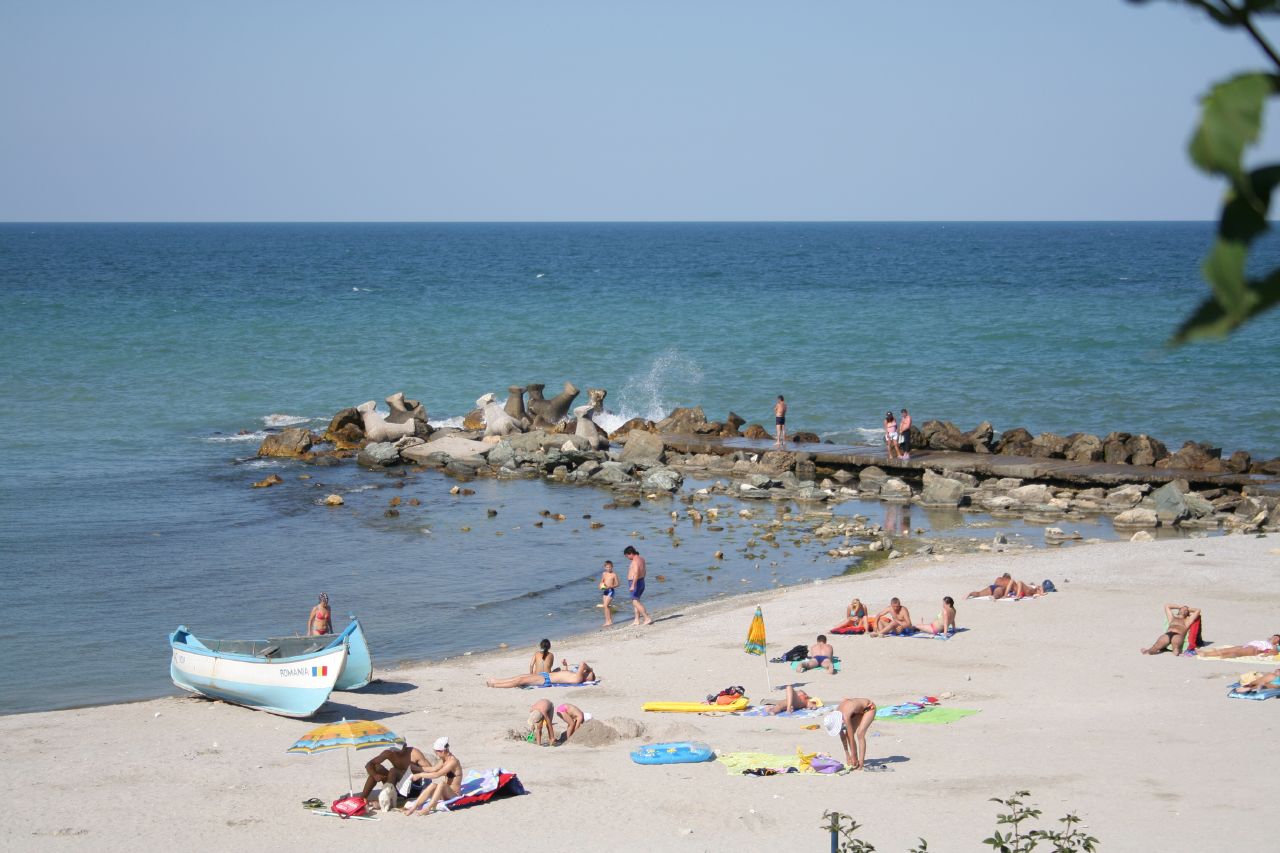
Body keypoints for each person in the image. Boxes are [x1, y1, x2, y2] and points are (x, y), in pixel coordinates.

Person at [404, 737, 462, 816]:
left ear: (442, 751)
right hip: (445, 793)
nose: (436, 755)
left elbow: (437, 774)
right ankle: (413, 808)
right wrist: (418, 768)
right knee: (433, 785)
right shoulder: (444, 759)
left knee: (441, 784)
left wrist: (419, 775)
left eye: (436, 752)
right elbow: (433, 769)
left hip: (454, 794)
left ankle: (428, 809)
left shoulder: (452, 762)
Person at [358, 740, 430, 803]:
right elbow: (369, 764)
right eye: (395, 749)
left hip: (411, 788)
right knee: (377, 768)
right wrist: (375, 775)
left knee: (393, 770)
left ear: (405, 746)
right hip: (395, 786)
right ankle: (361, 799)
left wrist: (416, 769)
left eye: (399, 749)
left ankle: (387, 798)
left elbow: (430, 769)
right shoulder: (389, 753)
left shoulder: (414, 753)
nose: (397, 752)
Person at [825, 698, 876, 770]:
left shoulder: (845, 717)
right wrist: (847, 754)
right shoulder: (836, 716)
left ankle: (861, 763)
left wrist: (854, 756)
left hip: (869, 707)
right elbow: (842, 736)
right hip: (857, 712)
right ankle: (856, 760)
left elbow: (851, 738)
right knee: (846, 735)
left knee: (860, 734)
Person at [486, 661, 597, 688]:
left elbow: (582, 663)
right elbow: (565, 675)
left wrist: (590, 668)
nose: (584, 671)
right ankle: (497, 681)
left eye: (586, 673)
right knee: (521, 677)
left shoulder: (578, 678)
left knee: (520, 680)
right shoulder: (576, 676)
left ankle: (496, 684)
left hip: (546, 679)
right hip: (546, 675)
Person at [624, 545, 653, 626]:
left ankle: (647, 618)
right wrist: (642, 580)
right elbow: (644, 570)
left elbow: (636, 573)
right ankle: (636, 620)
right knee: (637, 601)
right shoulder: (642, 559)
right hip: (641, 581)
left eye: (627, 556)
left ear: (630, 553)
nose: (627, 558)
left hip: (635, 582)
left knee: (635, 602)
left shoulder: (635, 561)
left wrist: (633, 585)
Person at [1196, 634, 1279, 658]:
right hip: (1247, 646)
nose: (1274, 637)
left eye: (1277, 638)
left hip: (1254, 649)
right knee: (1228, 649)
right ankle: (1208, 653)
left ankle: (1206, 654)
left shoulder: (1273, 645)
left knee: (1236, 652)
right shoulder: (1266, 641)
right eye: (1275, 636)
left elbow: (1275, 652)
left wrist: (1267, 654)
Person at [599, 560, 620, 627]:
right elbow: (602, 581)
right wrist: (600, 585)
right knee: (605, 607)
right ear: (605, 567)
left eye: (610, 567)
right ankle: (608, 621)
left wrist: (611, 586)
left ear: (612, 567)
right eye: (607, 567)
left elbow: (618, 584)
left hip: (611, 591)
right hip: (605, 591)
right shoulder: (604, 574)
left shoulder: (614, 574)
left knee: (605, 605)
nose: (608, 568)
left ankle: (609, 621)